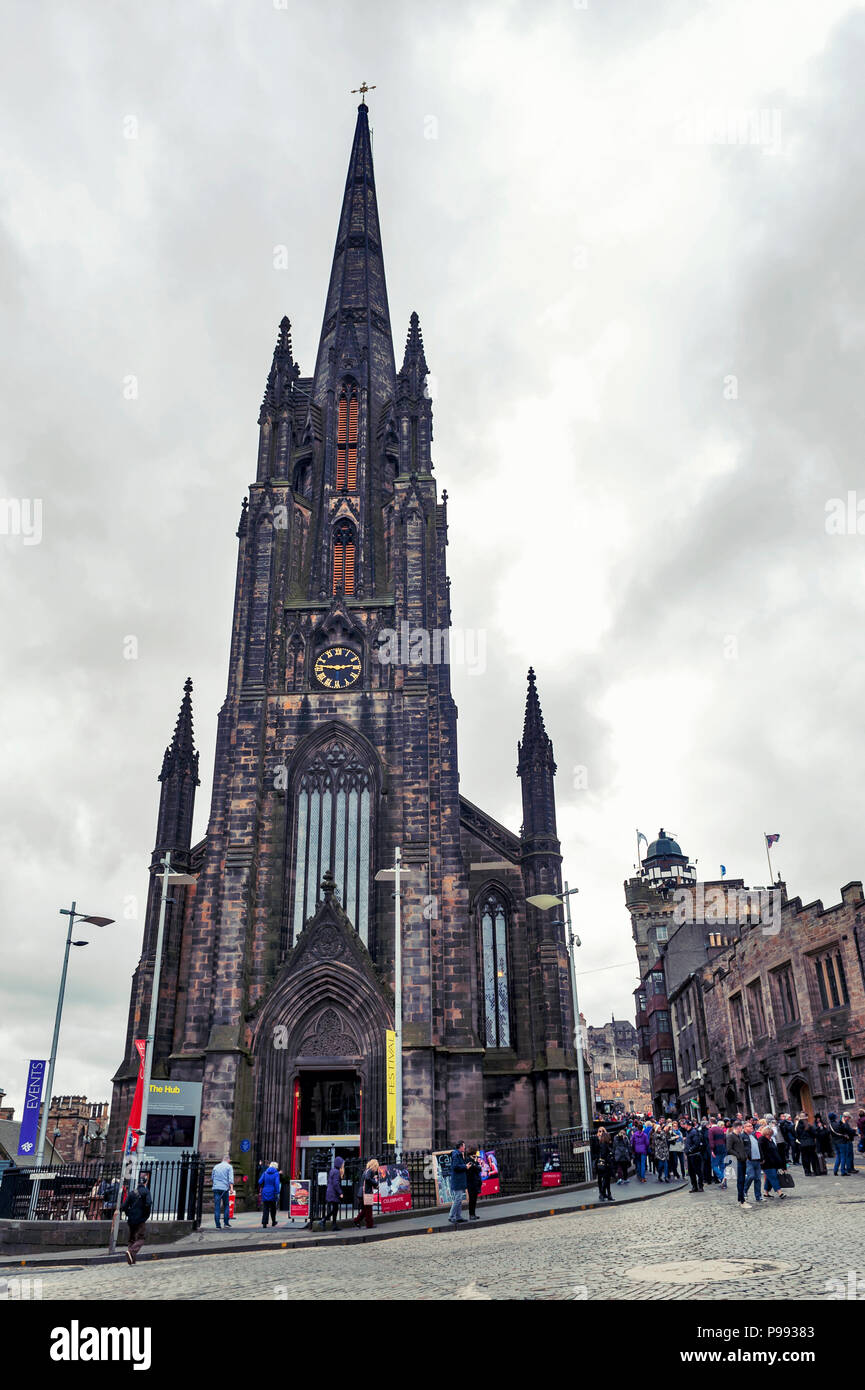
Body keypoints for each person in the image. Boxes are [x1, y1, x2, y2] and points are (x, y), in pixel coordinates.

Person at [122, 1175, 152, 1266]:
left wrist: (128, 1214)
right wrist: (145, 1214)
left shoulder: (132, 1193)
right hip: (140, 1219)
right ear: (145, 1182)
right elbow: (149, 1203)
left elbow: (124, 1206)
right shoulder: (146, 1191)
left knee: (131, 1239)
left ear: (138, 1182)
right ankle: (131, 1251)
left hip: (131, 1219)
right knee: (141, 1238)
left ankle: (131, 1260)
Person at [726, 1120, 750, 1208]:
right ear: (738, 1127)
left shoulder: (739, 1136)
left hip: (743, 1160)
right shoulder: (730, 1136)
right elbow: (729, 1149)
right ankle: (742, 1201)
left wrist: (744, 1155)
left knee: (742, 1180)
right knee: (740, 1181)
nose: (742, 1129)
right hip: (737, 1161)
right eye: (741, 1127)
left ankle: (740, 1199)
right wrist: (738, 1155)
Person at [758, 1126, 785, 1199]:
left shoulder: (770, 1140)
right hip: (767, 1163)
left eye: (770, 1135)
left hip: (774, 1162)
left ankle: (766, 1192)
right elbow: (761, 1151)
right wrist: (762, 1160)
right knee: (773, 1177)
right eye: (768, 1135)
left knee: (769, 1178)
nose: (770, 1136)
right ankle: (780, 1192)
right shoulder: (761, 1140)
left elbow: (775, 1152)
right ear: (765, 1134)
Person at [352, 1158, 379, 1229]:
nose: (377, 1169)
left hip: (362, 1193)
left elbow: (367, 1181)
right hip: (366, 1193)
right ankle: (369, 1225)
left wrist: (374, 1183)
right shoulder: (370, 1171)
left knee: (365, 1210)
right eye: (377, 1166)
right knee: (369, 1210)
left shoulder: (366, 1171)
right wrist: (375, 1183)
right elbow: (367, 1179)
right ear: (374, 1165)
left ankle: (357, 1220)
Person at [742, 1123, 764, 1204]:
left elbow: (759, 1147)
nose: (751, 1127)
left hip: (757, 1160)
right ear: (744, 1128)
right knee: (751, 1176)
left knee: (758, 1179)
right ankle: (744, 1190)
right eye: (749, 1126)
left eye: (751, 1126)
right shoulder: (742, 1136)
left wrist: (762, 1157)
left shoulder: (754, 1135)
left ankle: (758, 1196)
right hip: (749, 1160)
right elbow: (741, 1148)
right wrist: (745, 1157)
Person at [448, 1142, 469, 1224]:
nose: (465, 1148)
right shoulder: (456, 1155)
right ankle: (451, 1216)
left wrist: (465, 1166)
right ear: (460, 1147)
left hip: (460, 1180)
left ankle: (458, 1216)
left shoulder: (458, 1154)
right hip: (457, 1180)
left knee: (459, 1199)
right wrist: (465, 1166)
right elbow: (455, 1167)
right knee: (457, 1199)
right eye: (464, 1146)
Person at [211, 1155, 234, 1228]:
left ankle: (217, 1225)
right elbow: (230, 1179)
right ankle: (226, 1223)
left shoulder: (216, 1166)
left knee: (217, 1206)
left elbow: (212, 1177)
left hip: (216, 1188)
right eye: (229, 1160)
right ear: (228, 1160)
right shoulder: (229, 1167)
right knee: (226, 1205)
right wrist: (231, 1188)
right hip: (224, 1189)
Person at [258, 1160, 282, 1228]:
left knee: (265, 1208)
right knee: (273, 1208)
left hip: (265, 1191)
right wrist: (277, 1192)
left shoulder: (265, 1172)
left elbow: (260, 1181)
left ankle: (264, 1223)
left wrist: (264, 1186)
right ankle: (273, 1222)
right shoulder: (276, 1173)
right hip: (273, 1192)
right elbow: (277, 1184)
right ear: (276, 1167)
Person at [323, 1155, 344, 1231]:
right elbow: (335, 1183)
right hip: (333, 1193)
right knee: (335, 1209)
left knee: (335, 1209)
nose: (343, 1165)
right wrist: (340, 1192)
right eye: (342, 1163)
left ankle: (334, 1225)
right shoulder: (336, 1172)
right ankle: (324, 1220)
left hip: (331, 1192)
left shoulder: (332, 1170)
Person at [683, 1122, 705, 1192]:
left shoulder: (694, 1132)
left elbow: (696, 1144)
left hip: (695, 1155)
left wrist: (689, 1150)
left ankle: (700, 1186)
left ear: (688, 1125)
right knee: (691, 1172)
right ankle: (694, 1186)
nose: (684, 1125)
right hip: (690, 1155)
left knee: (698, 1171)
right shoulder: (688, 1132)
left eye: (685, 1124)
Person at [707, 1116, 727, 1189]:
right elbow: (725, 1139)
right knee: (722, 1166)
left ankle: (722, 1178)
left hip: (716, 1149)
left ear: (710, 1123)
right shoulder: (721, 1129)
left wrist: (712, 1150)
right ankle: (724, 1184)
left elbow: (711, 1141)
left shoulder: (711, 1130)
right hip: (723, 1148)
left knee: (714, 1166)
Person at [596, 1127, 613, 1201]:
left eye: (602, 1131)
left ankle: (607, 1194)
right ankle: (602, 1194)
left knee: (607, 1180)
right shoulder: (602, 1143)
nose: (601, 1132)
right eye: (600, 1131)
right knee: (604, 1180)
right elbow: (602, 1154)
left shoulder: (606, 1144)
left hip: (605, 1164)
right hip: (602, 1164)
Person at [466, 1149, 483, 1221]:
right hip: (471, 1182)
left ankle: (474, 1214)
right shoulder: (468, 1160)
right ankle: (471, 1214)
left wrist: (475, 1164)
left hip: (476, 1182)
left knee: (474, 1199)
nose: (476, 1156)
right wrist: (475, 1166)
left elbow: (479, 1168)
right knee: (472, 1199)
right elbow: (472, 1169)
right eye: (475, 1154)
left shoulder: (474, 1161)